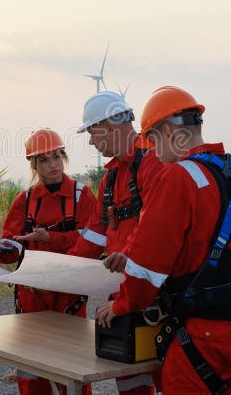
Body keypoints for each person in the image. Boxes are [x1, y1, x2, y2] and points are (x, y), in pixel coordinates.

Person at [96, 86, 231, 394]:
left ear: (167, 133)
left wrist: (121, 306)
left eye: (153, 141)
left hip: (201, 338)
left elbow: (146, 268)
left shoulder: (177, 178)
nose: (154, 152)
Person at [0, 128, 96, 395]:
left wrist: (50, 238)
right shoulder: (26, 199)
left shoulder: (82, 197)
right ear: (34, 164)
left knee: (73, 367)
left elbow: (92, 243)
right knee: (31, 370)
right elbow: (12, 243)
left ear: (63, 157)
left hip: (69, 293)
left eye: (56, 157)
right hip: (32, 294)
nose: (52, 165)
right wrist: (0, 254)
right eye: (44, 160)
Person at [67, 91, 165, 395]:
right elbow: (93, 236)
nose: (91, 142)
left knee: (167, 374)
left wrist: (128, 254)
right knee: (130, 375)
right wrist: (61, 268)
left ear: (109, 126)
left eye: (92, 133)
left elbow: (157, 225)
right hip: (122, 293)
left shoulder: (154, 161)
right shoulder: (110, 178)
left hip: (155, 293)